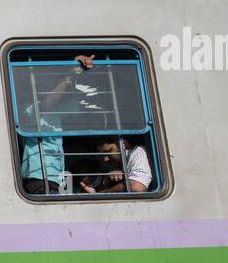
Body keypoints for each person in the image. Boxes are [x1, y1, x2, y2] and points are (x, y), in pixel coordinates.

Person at [19, 54, 95, 194]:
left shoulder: (56, 109)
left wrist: (81, 69)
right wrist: (69, 76)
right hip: (38, 175)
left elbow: (79, 104)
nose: (49, 87)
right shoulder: (26, 108)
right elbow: (49, 102)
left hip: (55, 176)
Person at [81, 136, 153, 193]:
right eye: (102, 155)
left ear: (123, 144)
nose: (105, 159)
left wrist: (103, 193)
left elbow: (136, 186)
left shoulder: (138, 152)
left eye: (108, 151)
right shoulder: (110, 165)